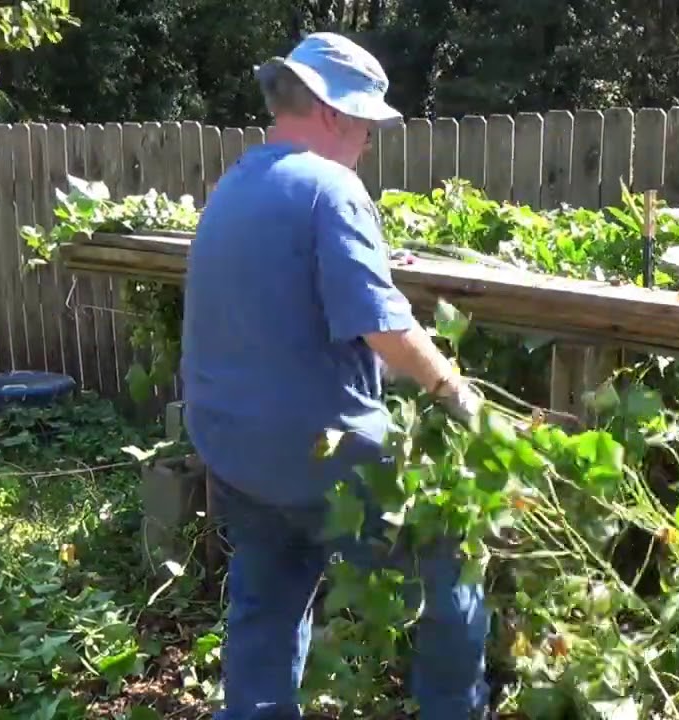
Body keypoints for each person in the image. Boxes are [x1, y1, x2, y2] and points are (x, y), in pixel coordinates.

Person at [179, 32, 490, 720]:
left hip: (231, 445)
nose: (368, 143)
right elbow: (386, 327)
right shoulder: (331, 186)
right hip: (319, 450)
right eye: (366, 126)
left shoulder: (230, 188)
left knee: (266, 601)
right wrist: (457, 394)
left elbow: (279, 321)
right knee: (451, 564)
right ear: (331, 113)